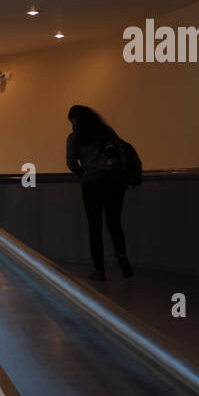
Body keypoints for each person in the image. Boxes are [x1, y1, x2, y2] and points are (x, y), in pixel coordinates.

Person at [65, 104, 134, 281]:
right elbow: (121, 152)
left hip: (91, 184)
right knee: (114, 222)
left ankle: (99, 269)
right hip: (113, 182)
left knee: (94, 227)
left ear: (74, 120)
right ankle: (122, 257)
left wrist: (85, 174)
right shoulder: (106, 131)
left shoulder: (75, 137)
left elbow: (71, 163)